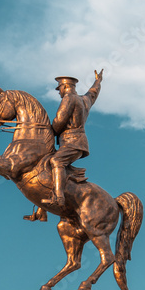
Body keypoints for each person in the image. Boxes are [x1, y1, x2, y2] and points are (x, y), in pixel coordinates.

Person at [41, 71, 103, 207]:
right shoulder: (84, 100)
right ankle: (42, 209)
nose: (59, 92)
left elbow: (59, 121)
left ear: (64, 87)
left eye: (59, 89)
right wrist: (98, 81)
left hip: (72, 143)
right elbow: (93, 93)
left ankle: (58, 197)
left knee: (56, 161)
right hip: (79, 143)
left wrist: (49, 131)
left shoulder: (68, 98)